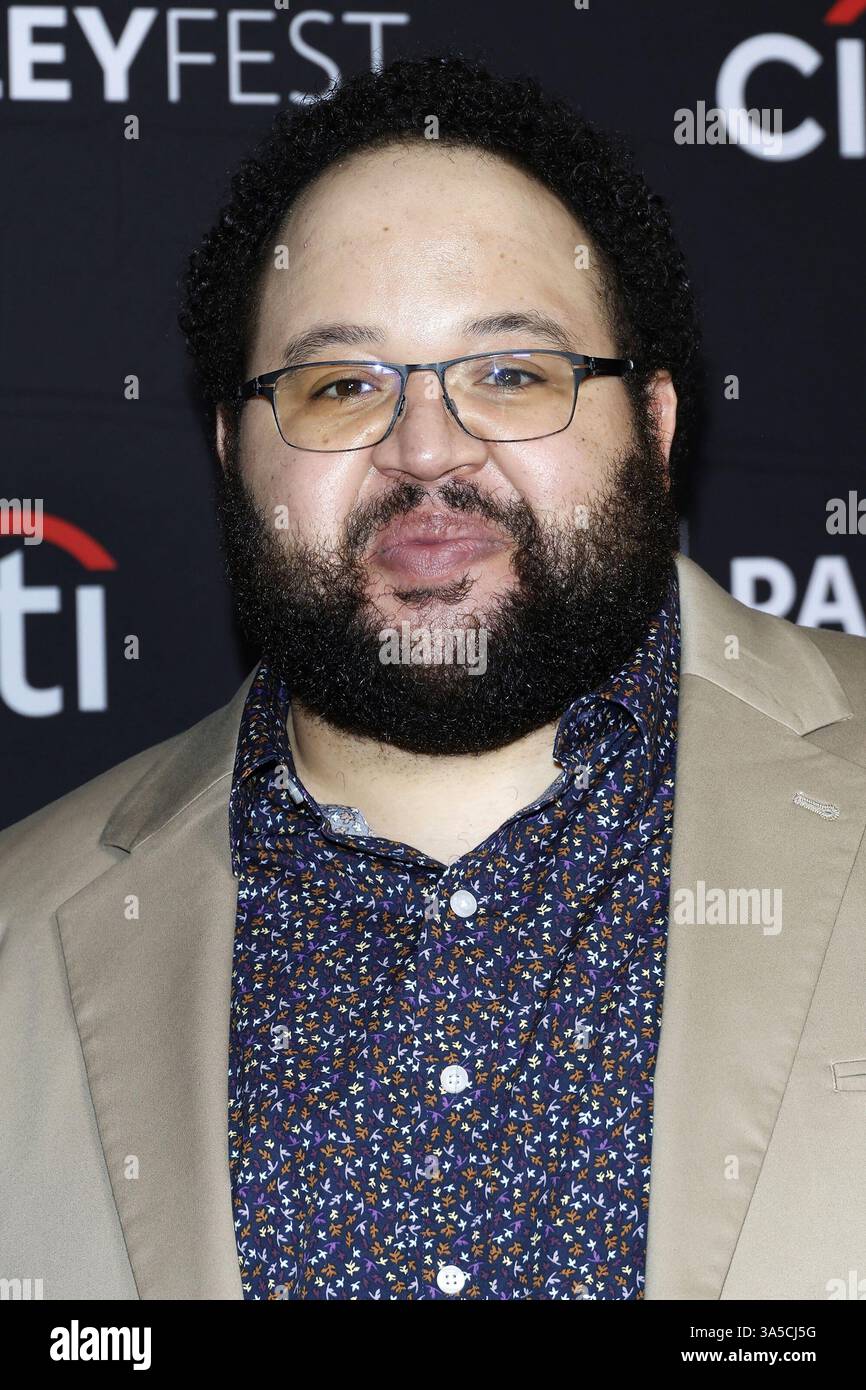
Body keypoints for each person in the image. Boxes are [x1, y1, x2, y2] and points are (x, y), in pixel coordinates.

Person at [2, 54, 864, 1302]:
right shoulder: (24, 937)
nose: (424, 447)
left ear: (658, 426)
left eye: (510, 373)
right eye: (339, 384)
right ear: (234, 450)